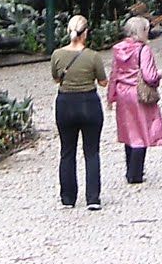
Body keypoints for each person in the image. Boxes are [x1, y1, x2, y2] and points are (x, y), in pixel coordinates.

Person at [50, 14, 107, 209]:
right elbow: (103, 82)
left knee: (67, 151)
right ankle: (93, 198)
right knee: (91, 151)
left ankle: (68, 198)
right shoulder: (93, 56)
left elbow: (56, 79)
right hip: (89, 103)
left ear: (68, 32)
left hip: (65, 104)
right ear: (86, 33)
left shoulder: (57, 54)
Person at [108, 15, 162, 184]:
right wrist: (158, 75)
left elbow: (114, 74)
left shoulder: (118, 49)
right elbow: (149, 76)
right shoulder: (143, 49)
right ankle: (136, 173)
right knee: (141, 131)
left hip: (122, 93)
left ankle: (129, 170)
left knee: (128, 131)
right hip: (138, 93)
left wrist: (111, 96)